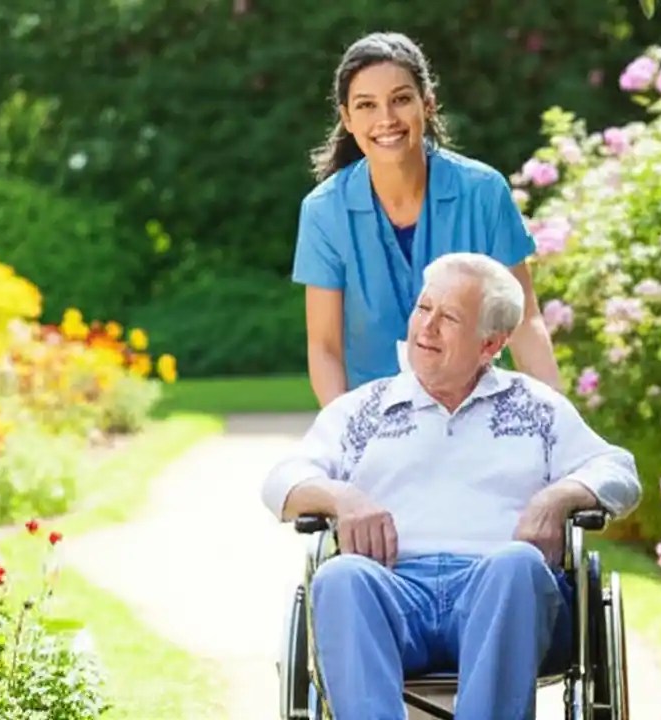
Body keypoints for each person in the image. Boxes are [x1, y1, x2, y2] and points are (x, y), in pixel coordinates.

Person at [261, 253, 640, 720]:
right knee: (340, 576)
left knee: (517, 564)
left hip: (501, 594)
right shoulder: (365, 410)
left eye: (449, 318)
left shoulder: (536, 408)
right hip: (393, 590)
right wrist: (342, 498)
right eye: (424, 308)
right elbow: (281, 482)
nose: (427, 327)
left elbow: (619, 470)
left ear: (490, 344)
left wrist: (558, 496)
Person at [293, 31, 560, 407]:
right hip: (376, 424)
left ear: (428, 104)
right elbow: (325, 348)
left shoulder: (483, 193)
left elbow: (525, 323)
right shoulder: (323, 212)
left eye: (400, 99)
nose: (386, 119)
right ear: (347, 118)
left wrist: (559, 422)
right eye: (367, 105)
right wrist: (345, 436)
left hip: (476, 415)